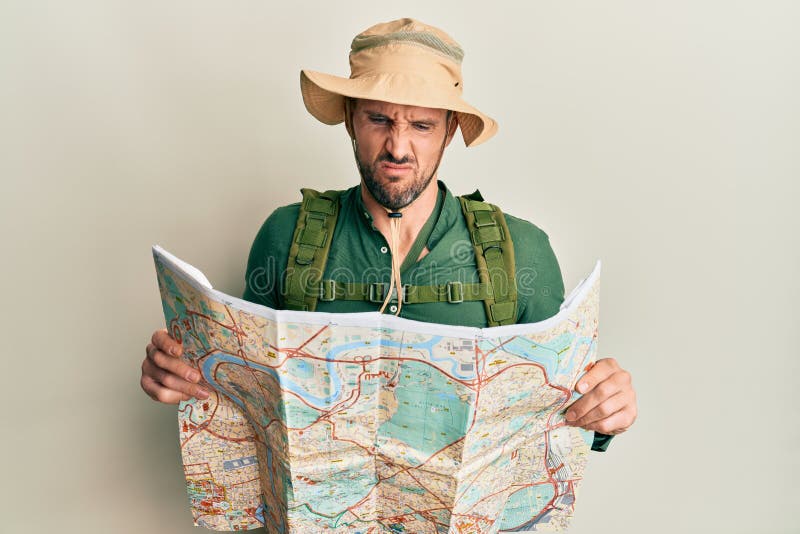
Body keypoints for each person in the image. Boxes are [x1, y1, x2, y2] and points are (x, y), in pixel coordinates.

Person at [140, 18, 637, 452]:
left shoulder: (520, 251)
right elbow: (245, 398)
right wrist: (184, 377)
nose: (398, 147)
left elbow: (561, 412)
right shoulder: (285, 236)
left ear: (449, 131)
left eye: (421, 125)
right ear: (352, 121)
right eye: (379, 119)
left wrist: (605, 410)